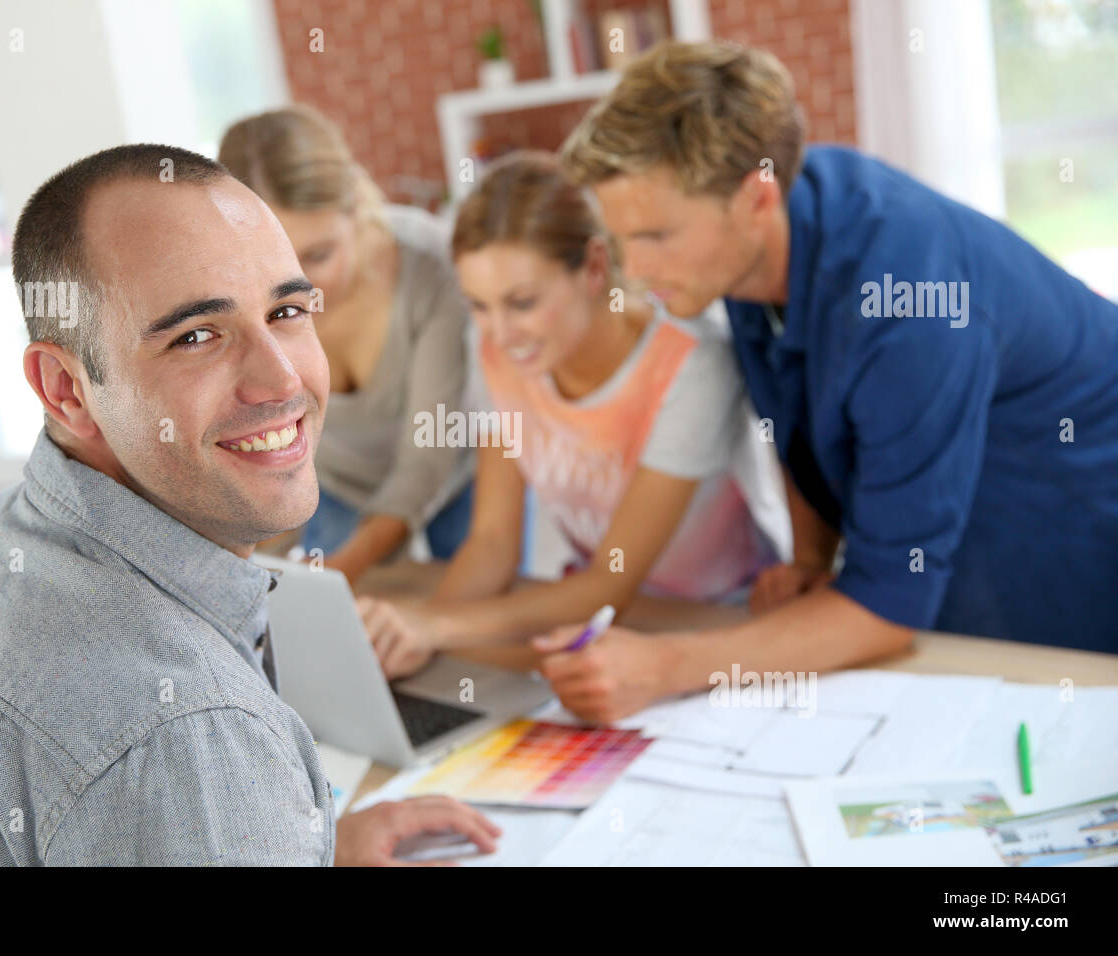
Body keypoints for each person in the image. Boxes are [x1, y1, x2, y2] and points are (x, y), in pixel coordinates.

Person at [0, 144, 498, 866]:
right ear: (66, 389)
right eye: (197, 336)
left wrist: (301, 844)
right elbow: (172, 772)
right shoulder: (186, 732)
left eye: (288, 310)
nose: (282, 378)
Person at [527, 39, 1118, 722]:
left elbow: (891, 603)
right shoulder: (760, 243)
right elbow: (794, 407)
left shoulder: (906, 295)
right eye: (621, 236)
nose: (634, 266)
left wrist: (665, 666)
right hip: (980, 540)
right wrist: (811, 552)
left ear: (756, 196)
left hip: (1081, 521)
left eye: (657, 235)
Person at [358, 151, 789, 680]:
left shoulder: (690, 364)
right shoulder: (499, 351)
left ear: (593, 267)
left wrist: (438, 628)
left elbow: (613, 581)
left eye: (522, 302)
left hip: (717, 622)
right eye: (478, 304)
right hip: (590, 617)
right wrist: (413, 629)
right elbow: (492, 542)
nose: (498, 333)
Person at [218, 106, 474, 583]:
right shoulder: (230, 297)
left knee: (469, 610)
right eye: (280, 262)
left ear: (356, 209)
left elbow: (426, 460)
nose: (301, 287)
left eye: (319, 254)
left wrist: (337, 579)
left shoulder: (432, 267)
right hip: (336, 484)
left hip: (451, 472)